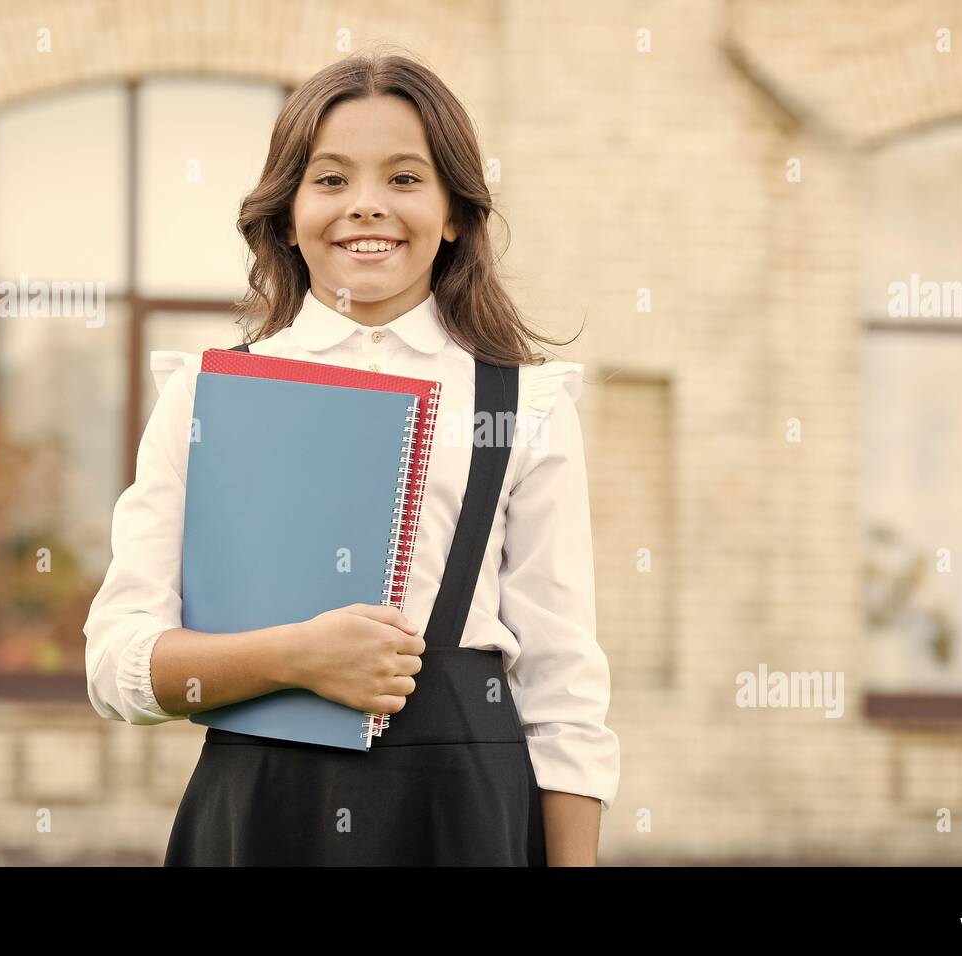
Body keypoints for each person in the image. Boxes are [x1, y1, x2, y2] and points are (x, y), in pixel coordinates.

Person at [83, 50, 620, 866]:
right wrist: (292, 658)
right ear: (288, 211)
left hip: (461, 818)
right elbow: (114, 664)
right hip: (259, 815)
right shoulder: (207, 398)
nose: (366, 206)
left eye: (405, 179)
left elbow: (563, 687)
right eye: (330, 180)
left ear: (452, 213)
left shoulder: (522, 405)